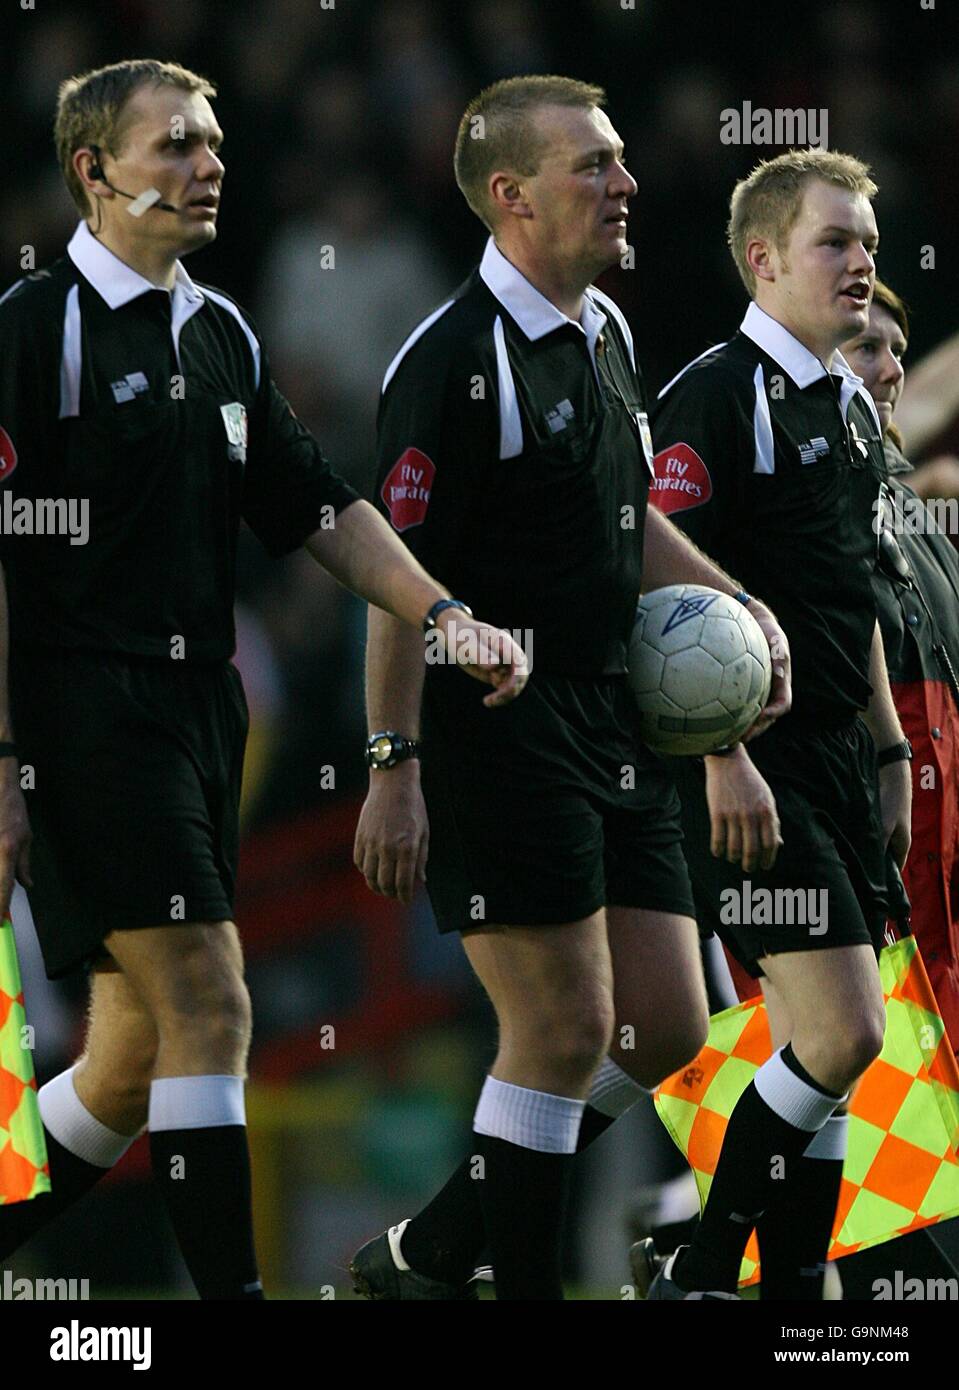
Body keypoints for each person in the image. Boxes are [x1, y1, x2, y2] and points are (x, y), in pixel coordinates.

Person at [0, 58, 527, 1300]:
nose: (208, 163)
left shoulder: (221, 330)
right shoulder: (32, 332)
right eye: (176, 144)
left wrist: (442, 612)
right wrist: (6, 765)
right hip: (81, 708)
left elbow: (319, 509)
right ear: (94, 171)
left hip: (196, 713)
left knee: (132, 1057)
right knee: (214, 1002)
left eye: (214, 143)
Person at [350, 75, 790, 1302]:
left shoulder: (604, 330)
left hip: (616, 718)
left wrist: (738, 606)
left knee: (666, 1031)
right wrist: (391, 767)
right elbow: (391, 574)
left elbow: (630, 516)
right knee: (555, 1035)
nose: (623, 182)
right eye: (591, 165)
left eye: (617, 160)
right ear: (511, 196)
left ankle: (432, 1250)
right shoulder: (443, 360)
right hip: (497, 726)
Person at [643, 149, 912, 1301]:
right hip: (747, 771)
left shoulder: (845, 401)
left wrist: (888, 746)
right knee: (844, 1031)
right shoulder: (710, 397)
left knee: (827, 1055)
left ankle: (796, 1292)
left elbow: (848, 595)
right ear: (760, 261)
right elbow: (663, 606)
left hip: (838, 764)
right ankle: (702, 1268)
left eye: (865, 242)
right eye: (832, 243)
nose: (859, 264)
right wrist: (725, 757)